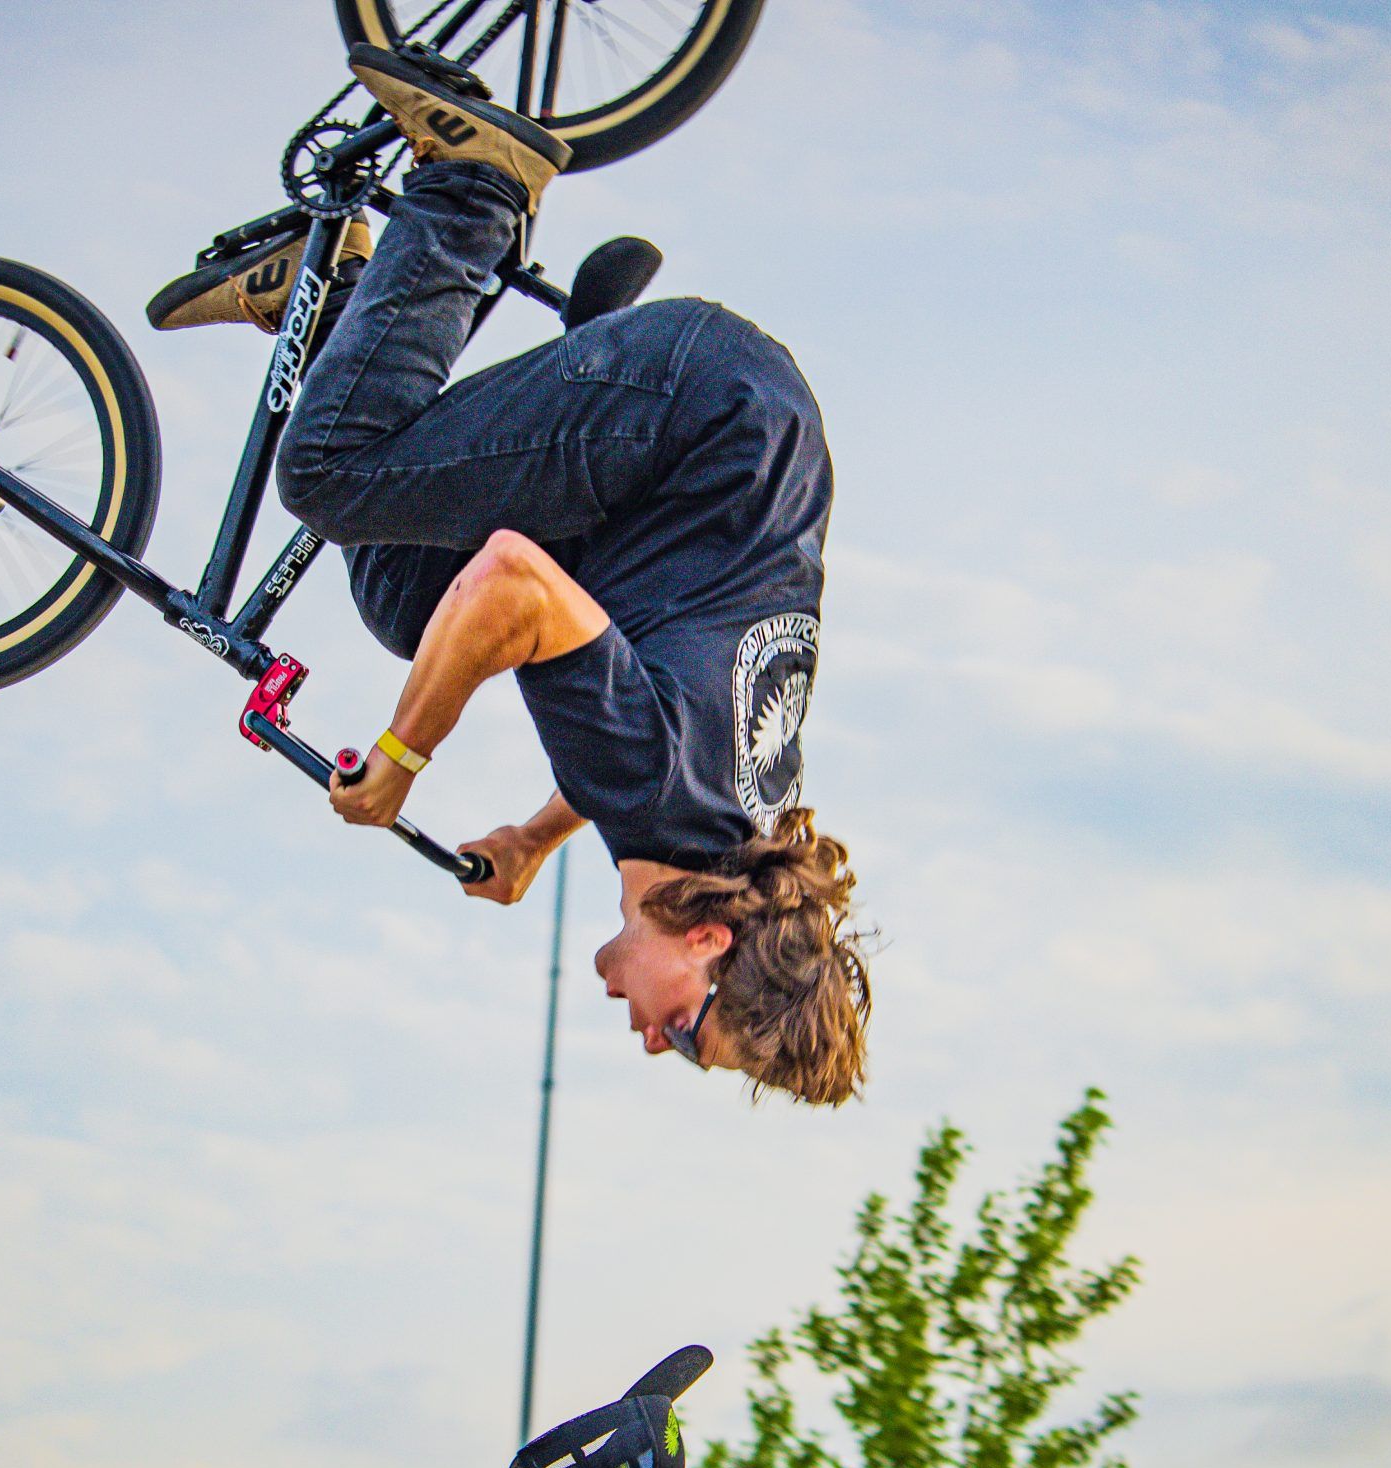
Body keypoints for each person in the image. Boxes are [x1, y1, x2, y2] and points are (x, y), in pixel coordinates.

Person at [148, 47, 870, 1106]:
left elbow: (629, 724)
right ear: (711, 942)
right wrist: (402, 756)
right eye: (685, 1035)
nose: (650, 1043)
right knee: (331, 476)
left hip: (725, 439)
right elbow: (512, 584)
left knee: (409, 608)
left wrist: (533, 838)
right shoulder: (659, 798)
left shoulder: (732, 842)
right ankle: (475, 185)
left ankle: (340, 302)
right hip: (691, 412)